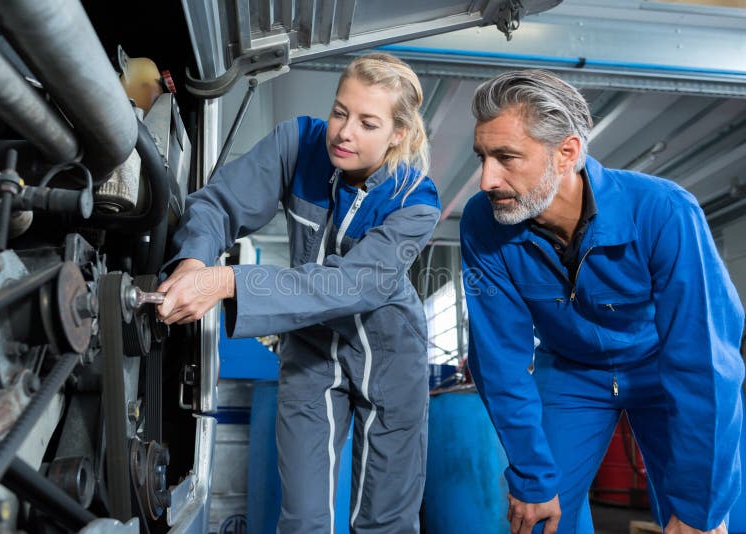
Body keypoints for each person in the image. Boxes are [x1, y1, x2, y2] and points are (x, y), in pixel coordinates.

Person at [156, 53, 441, 533]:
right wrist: (193, 261)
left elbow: (350, 284)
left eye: (367, 123)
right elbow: (220, 204)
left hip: (390, 354)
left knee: (386, 520)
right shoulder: (297, 144)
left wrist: (227, 281)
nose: (344, 132)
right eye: (339, 111)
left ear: (399, 134)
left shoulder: (417, 200)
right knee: (304, 517)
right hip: (310, 347)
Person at [459, 69, 744, 534]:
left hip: (661, 367)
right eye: (483, 157)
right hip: (572, 370)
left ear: (566, 153)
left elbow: (705, 361)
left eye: (507, 157)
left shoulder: (665, 212)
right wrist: (532, 478)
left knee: (716, 515)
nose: (488, 179)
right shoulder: (483, 223)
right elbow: (498, 357)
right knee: (538, 520)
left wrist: (698, 511)